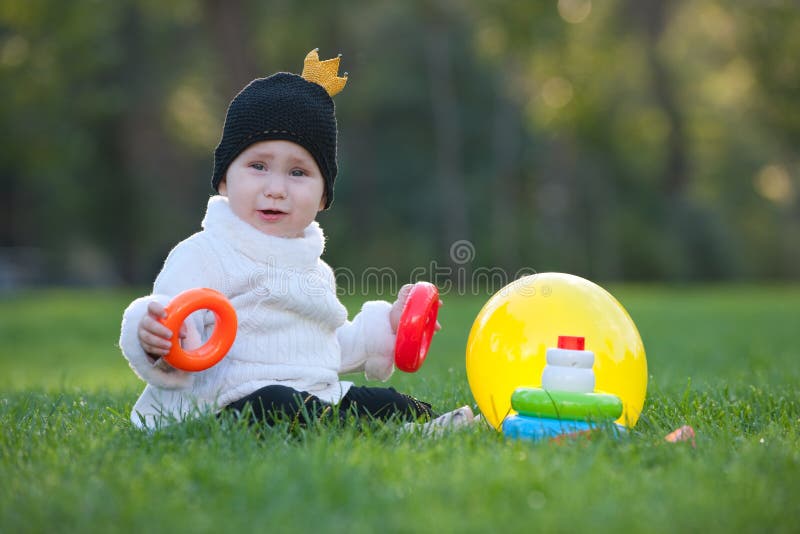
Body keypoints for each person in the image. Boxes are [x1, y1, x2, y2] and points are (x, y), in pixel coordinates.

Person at [118, 49, 474, 432]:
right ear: (224, 179)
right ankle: (380, 433)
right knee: (277, 403)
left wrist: (389, 324)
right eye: (258, 166)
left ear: (322, 198)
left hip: (311, 393)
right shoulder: (204, 254)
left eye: (298, 173)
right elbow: (170, 313)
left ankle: (428, 425)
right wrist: (156, 336)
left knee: (381, 400)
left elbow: (325, 347)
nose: (276, 189)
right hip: (226, 402)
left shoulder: (314, 269)